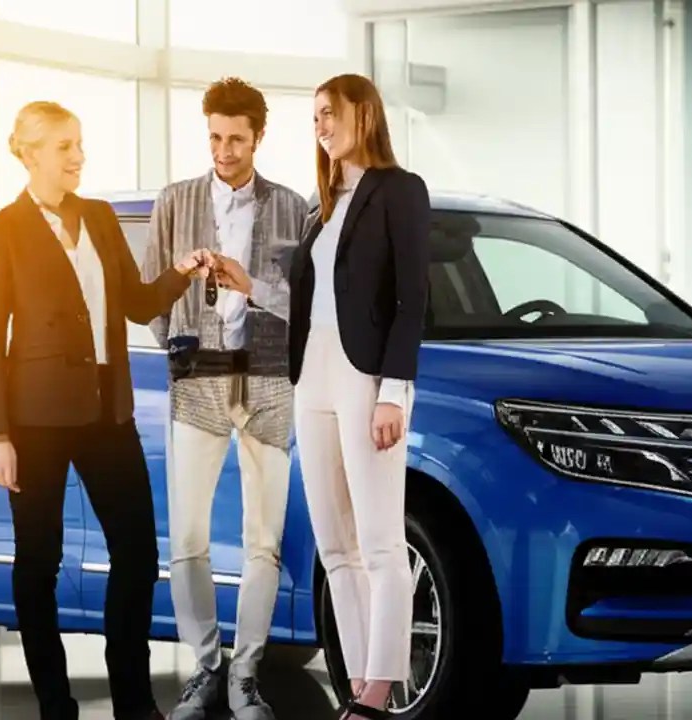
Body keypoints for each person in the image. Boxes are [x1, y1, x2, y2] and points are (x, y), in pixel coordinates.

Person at [0, 100, 213, 720]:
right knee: (39, 565)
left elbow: (135, 304)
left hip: (108, 412)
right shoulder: (1, 231)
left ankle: (134, 702)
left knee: (137, 554)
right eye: (64, 147)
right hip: (34, 420)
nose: (78, 156)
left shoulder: (101, 218)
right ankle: (57, 706)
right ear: (30, 154)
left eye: (79, 144)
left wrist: (181, 273)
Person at [141, 77, 309, 720]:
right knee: (187, 534)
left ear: (259, 137)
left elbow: (309, 311)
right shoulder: (175, 201)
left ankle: (246, 675)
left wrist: (253, 286)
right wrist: (174, 344)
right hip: (200, 378)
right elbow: (151, 292)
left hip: (267, 379)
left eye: (236, 138)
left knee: (263, 538)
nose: (224, 150)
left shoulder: (295, 209)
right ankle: (205, 669)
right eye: (215, 136)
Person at [285, 74, 431, 720]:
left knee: (378, 541)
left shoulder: (399, 191)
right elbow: (307, 304)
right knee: (335, 546)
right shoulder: (319, 205)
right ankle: (356, 683)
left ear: (363, 114)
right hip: (310, 375)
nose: (320, 124)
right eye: (314, 115)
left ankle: (380, 686)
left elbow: (411, 299)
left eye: (329, 112)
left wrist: (394, 393)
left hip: (366, 376)